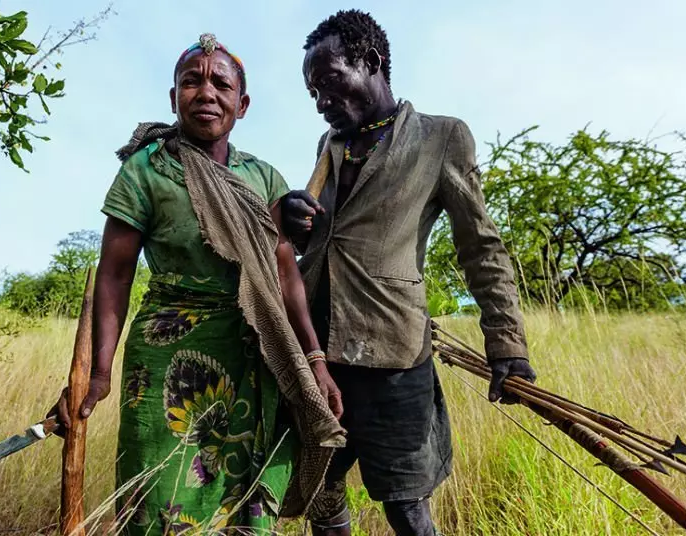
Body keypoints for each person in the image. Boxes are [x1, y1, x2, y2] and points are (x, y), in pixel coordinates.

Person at [50, 33, 346, 535]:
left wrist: (314, 359)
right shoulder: (145, 169)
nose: (206, 92)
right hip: (164, 358)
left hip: (253, 351)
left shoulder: (262, 177)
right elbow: (116, 274)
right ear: (174, 98)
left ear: (241, 104)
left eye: (220, 84)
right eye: (191, 81)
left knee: (242, 492)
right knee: (157, 489)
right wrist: (99, 373)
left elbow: (283, 273)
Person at [281, 11, 539, 536]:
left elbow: (482, 248)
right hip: (316, 354)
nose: (321, 101)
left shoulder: (440, 137)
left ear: (371, 62)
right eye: (312, 92)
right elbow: (323, 241)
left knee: (406, 506)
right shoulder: (328, 147)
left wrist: (507, 347)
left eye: (328, 82)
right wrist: (291, 220)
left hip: (393, 355)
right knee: (320, 497)